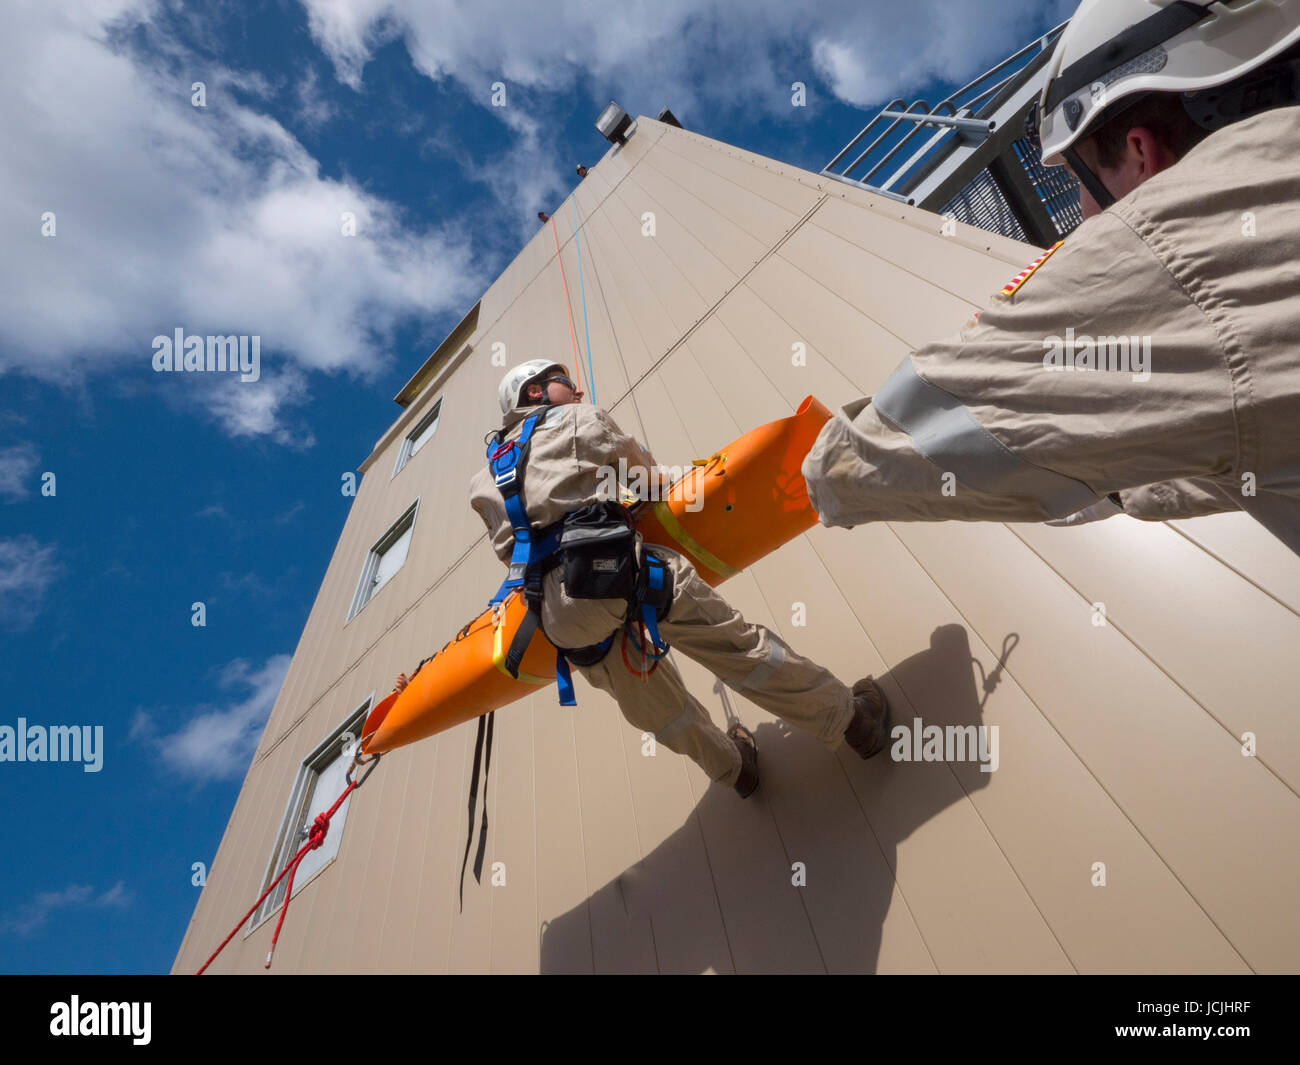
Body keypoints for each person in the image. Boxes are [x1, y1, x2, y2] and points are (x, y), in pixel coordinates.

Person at [799, 0, 1300, 555]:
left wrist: (806, 475)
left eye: (1079, 181)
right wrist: (1113, 488)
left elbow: (929, 429)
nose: (1085, 214)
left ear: (1140, 152)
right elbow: (1230, 440)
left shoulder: (1170, 247)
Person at [397, 359, 890, 798]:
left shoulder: (482, 481)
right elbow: (648, 479)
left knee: (658, 708)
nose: (577, 391)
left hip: (558, 619)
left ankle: (735, 770)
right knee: (738, 651)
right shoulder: (574, 419)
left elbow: (516, 546)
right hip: (617, 571)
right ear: (535, 392)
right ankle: (851, 721)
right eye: (565, 383)